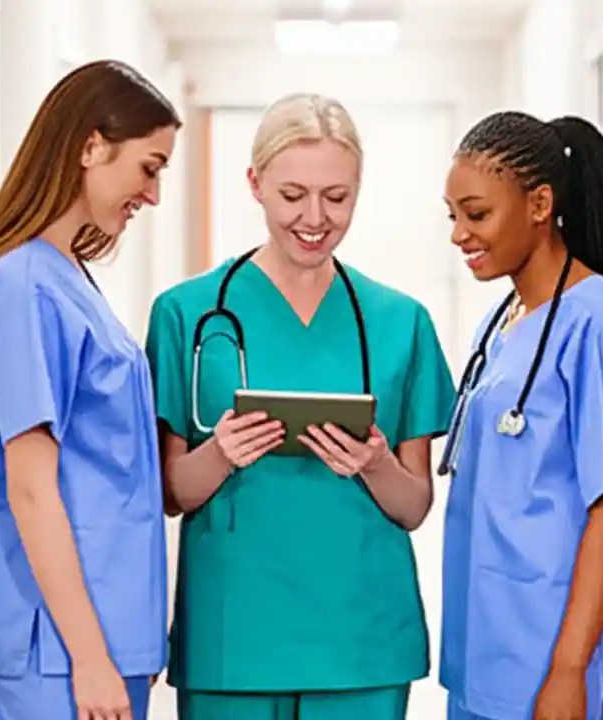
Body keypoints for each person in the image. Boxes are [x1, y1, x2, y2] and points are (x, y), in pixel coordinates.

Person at [144, 92, 456, 720]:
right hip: (234, 636)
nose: (315, 217)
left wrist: (374, 463)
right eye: (293, 195)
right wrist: (222, 454)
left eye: (336, 197)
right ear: (255, 184)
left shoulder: (401, 322)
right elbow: (171, 491)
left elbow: (415, 504)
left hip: (360, 641)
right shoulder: (188, 315)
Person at [0, 60, 181, 720]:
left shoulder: (66, 274)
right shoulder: (21, 287)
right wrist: (90, 658)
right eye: (149, 167)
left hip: (102, 628)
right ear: (90, 146)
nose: (154, 194)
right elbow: (29, 486)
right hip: (63, 646)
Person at [438, 111, 603, 720]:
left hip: (554, 656)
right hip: (488, 648)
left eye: (477, 214)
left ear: (540, 203)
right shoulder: (502, 324)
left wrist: (569, 669)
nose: (459, 235)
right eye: (452, 216)